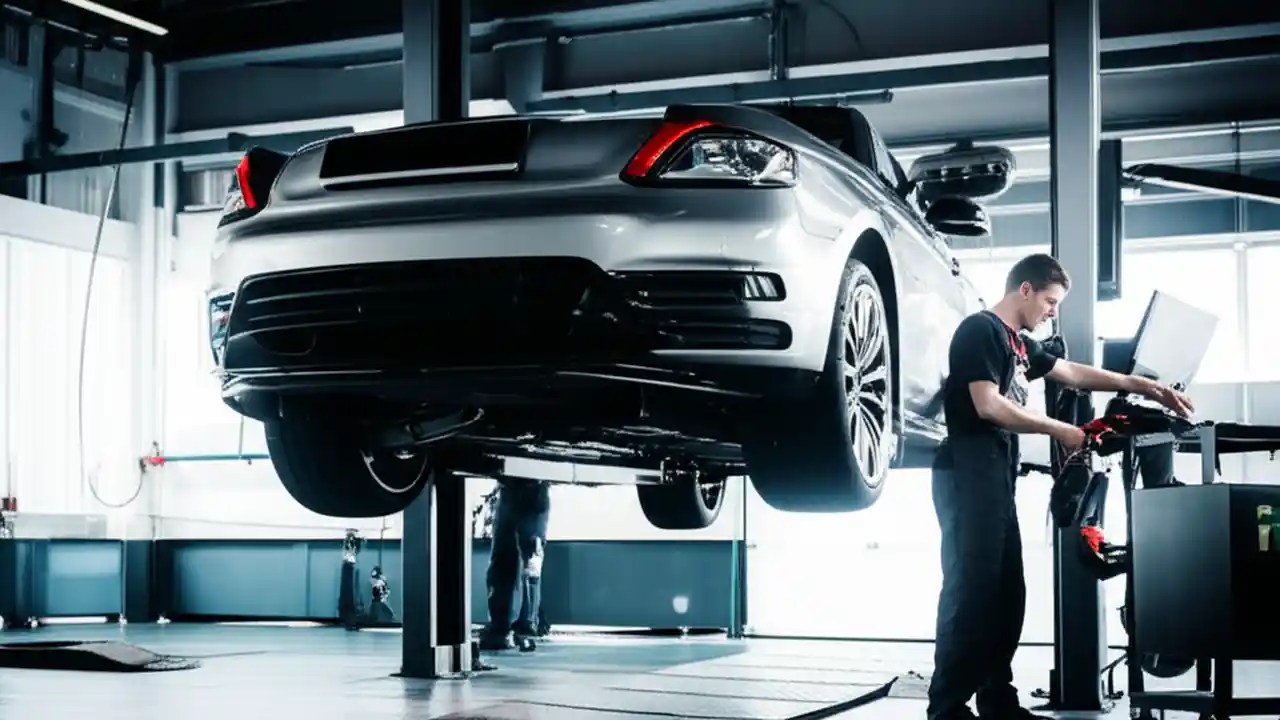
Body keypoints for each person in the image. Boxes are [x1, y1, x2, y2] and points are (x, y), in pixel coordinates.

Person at [927, 253, 1193, 720]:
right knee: (971, 590)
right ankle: (946, 707)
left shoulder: (1018, 344)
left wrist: (1143, 386)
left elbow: (1070, 372)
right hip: (965, 476)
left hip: (994, 478)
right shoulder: (980, 330)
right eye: (1050, 301)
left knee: (1008, 592)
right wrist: (1061, 430)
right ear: (1024, 290)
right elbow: (987, 405)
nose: (1053, 311)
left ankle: (997, 699)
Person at [478, 477, 551, 651]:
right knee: (528, 560)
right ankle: (524, 626)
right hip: (528, 489)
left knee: (512, 561)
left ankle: (508, 627)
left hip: (515, 489)